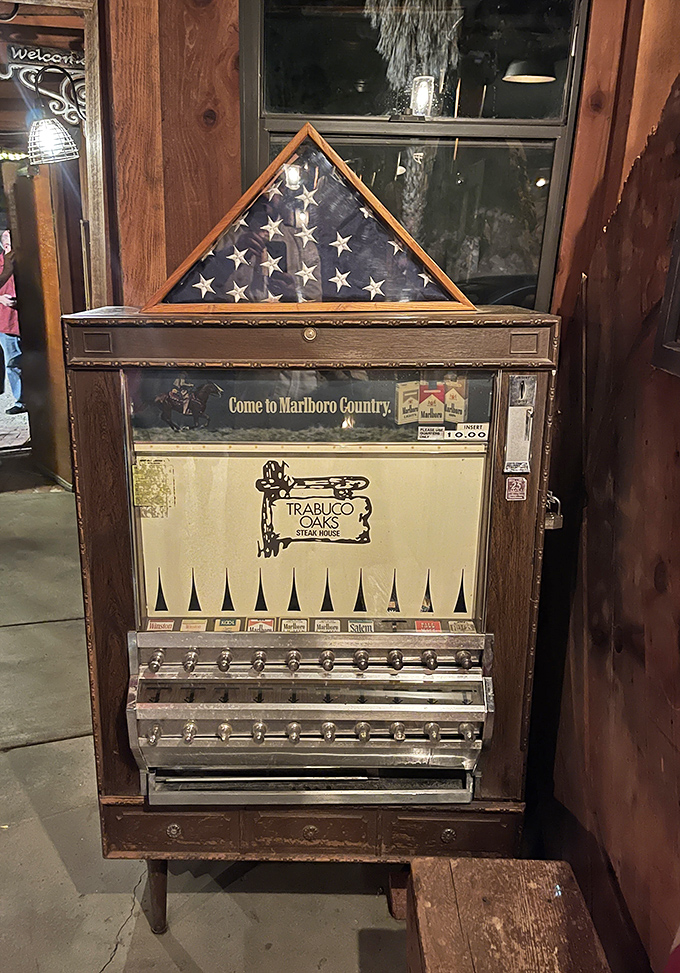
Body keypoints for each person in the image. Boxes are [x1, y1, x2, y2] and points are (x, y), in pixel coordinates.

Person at [0, 228, 25, 415]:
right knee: (13, 362)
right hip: (7, 321)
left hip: (28, 319)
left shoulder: (27, 262)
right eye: (7, 245)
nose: (10, 249)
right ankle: (20, 400)